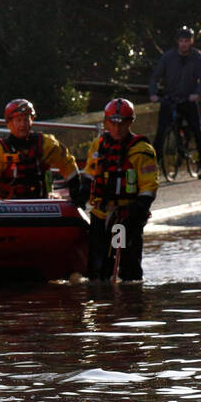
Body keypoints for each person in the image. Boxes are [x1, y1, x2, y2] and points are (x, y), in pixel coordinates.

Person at [80, 99, 158, 281]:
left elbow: (149, 185)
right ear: (106, 123)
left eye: (122, 123)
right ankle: (101, 301)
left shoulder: (142, 150)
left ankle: (131, 301)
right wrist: (82, 193)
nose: (117, 129)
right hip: (101, 214)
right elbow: (90, 173)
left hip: (126, 216)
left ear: (130, 122)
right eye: (113, 124)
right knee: (97, 266)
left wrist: (137, 208)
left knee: (127, 266)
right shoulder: (99, 145)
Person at [0, 98, 78, 200]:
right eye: (18, 120)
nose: (23, 124)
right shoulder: (0, 151)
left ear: (31, 120)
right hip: (10, 206)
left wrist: (76, 191)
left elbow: (67, 164)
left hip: (41, 203)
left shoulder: (46, 144)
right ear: (9, 123)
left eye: (26, 119)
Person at [149, 26, 201, 179]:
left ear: (191, 42)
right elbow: (155, 76)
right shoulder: (168, 57)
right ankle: (153, 167)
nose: (184, 44)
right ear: (177, 42)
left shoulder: (197, 56)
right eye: (181, 41)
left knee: (198, 131)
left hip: (188, 99)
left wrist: (197, 94)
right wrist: (153, 93)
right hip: (170, 99)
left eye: (187, 41)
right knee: (161, 133)